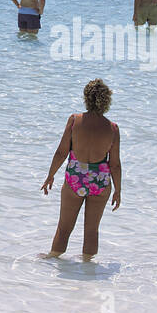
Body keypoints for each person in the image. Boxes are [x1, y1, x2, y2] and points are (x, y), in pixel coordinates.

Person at [42, 79, 122, 260]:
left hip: (75, 178)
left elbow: (61, 152)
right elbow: (115, 164)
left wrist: (50, 175)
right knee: (92, 230)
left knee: (64, 227)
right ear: (107, 100)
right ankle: (88, 266)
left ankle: (53, 258)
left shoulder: (74, 120)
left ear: (86, 98)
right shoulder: (113, 128)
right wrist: (118, 190)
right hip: (100, 181)